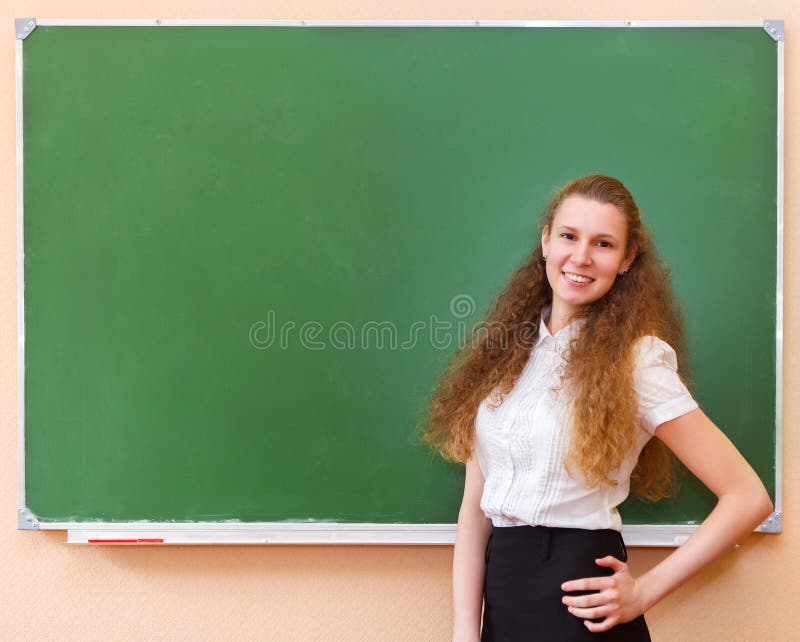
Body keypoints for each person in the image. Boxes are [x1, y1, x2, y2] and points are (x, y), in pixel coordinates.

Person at [424, 175, 773, 641]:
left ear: (627, 260)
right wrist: (465, 634)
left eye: (603, 244)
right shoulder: (504, 354)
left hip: (582, 609)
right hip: (503, 604)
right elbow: (475, 513)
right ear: (546, 240)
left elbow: (748, 497)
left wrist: (644, 592)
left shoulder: (638, 361)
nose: (581, 257)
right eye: (569, 236)